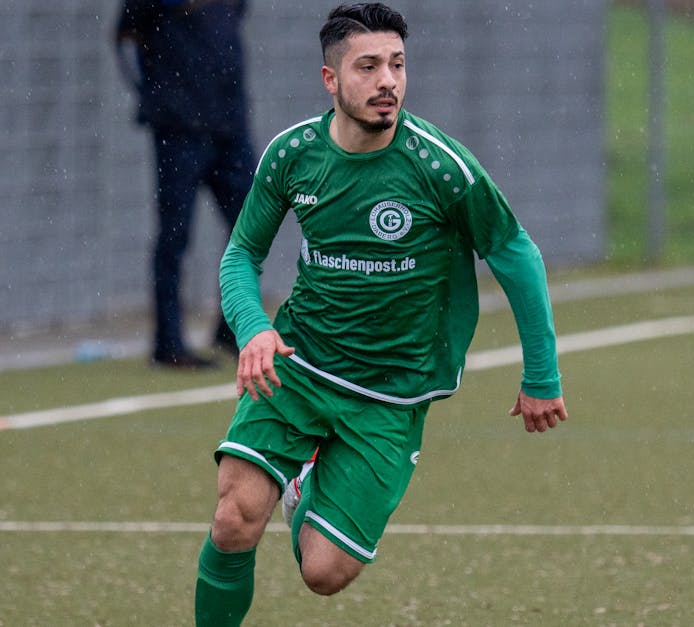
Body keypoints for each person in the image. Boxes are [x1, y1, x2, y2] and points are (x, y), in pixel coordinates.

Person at [194, 3, 569, 624]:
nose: (387, 81)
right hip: (300, 361)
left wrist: (542, 377)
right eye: (367, 66)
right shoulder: (293, 156)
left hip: (391, 391)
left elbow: (513, 251)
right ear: (330, 79)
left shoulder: (440, 167)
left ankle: (302, 487)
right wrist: (254, 328)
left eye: (396, 64)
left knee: (323, 573)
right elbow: (241, 256)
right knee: (234, 520)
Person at [115, 0, 254, 367]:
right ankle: (169, 345)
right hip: (180, 130)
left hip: (230, 125)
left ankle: (231, 327)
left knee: (252, 227)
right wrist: (153, 96)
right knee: (174, 237)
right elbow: (125, 37)